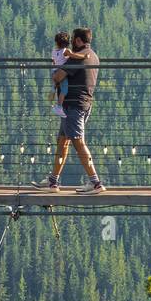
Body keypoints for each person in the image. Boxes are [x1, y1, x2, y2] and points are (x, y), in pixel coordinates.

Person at [31, 26, 104, 193]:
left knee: (78, 142)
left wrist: (55, 70)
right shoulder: (93, 56)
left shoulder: (77, 58)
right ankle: (52, 182)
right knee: (63, 142)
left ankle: (96, 182)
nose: (71, 43)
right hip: (82, 104)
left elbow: (58, 76)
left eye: (73, 40)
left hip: (73, 106)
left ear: (78, 40)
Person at [48, 30, 87, 117]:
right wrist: (84, 56)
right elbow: (74, 56)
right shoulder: (65, 51)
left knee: (56, 86)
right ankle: (58, 106)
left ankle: (53, 91)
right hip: (61, 72)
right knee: (64, 90)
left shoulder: (54, 51)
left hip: (54, 71)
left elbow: (54, 61)